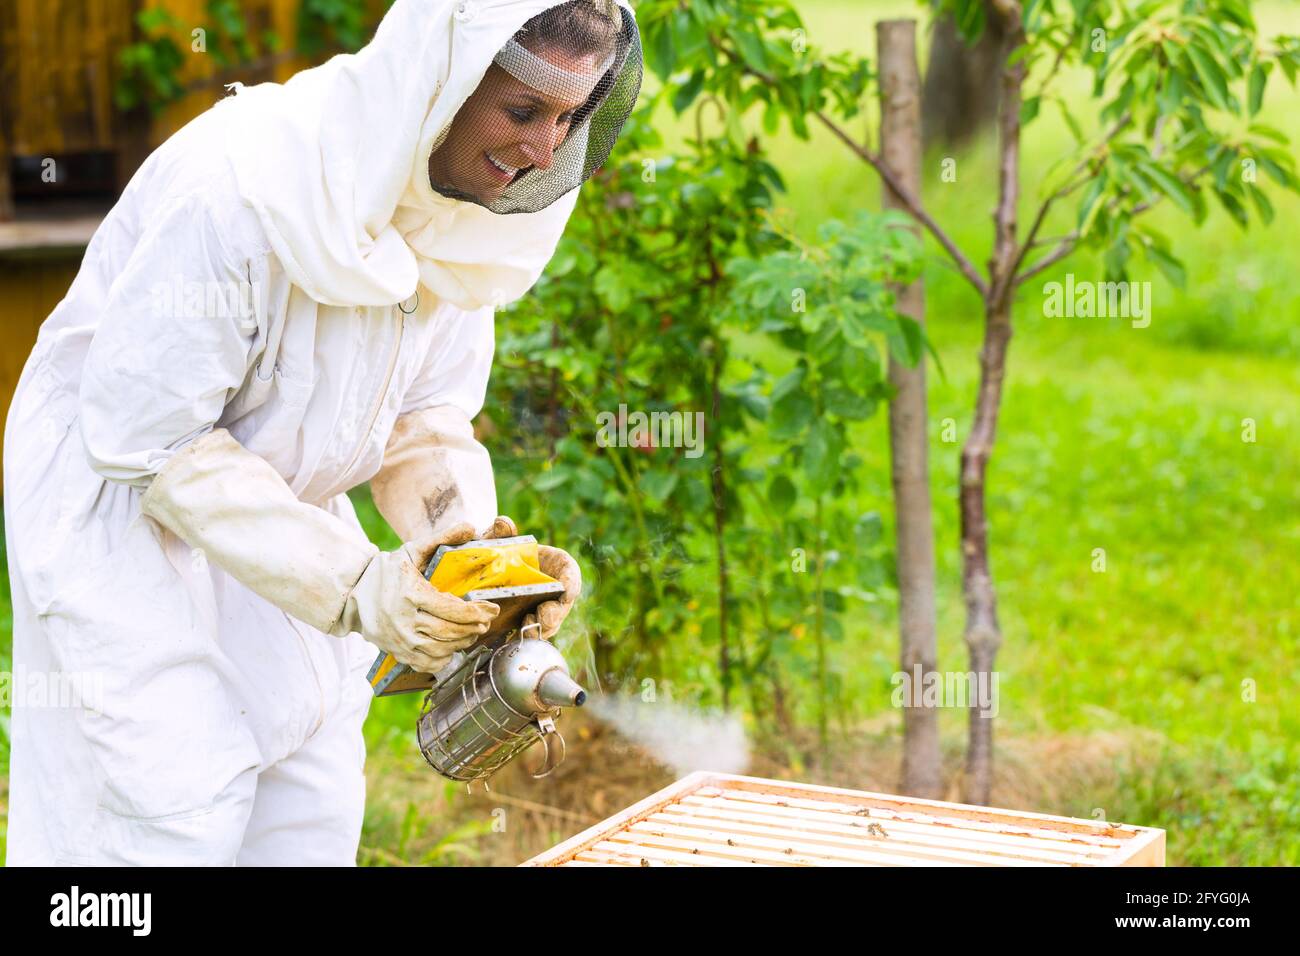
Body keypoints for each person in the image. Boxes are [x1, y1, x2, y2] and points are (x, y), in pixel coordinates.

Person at [1, 0, 642, 866]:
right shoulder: (240, 188)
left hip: (284, 512)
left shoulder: (461, 215)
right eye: (521, 111)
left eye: (568, 118)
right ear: (440, 81)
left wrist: (476, 565)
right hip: (123, 510)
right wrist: (357, 588)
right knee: (167, 807)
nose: (542, 150)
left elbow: (424, 419)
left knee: (309, 793)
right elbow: (153, 439)